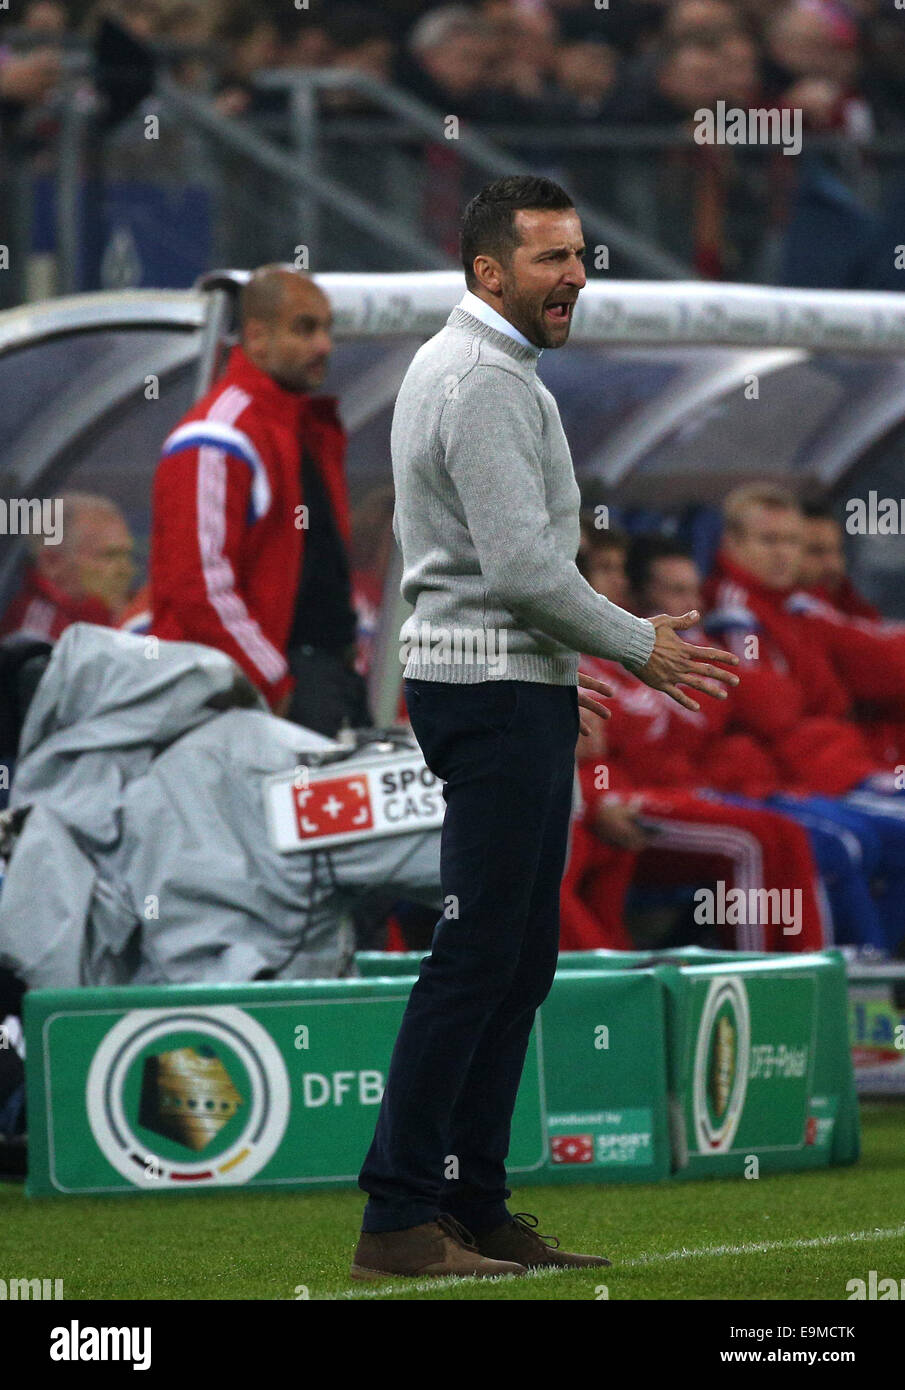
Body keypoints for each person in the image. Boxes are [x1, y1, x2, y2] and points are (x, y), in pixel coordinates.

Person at [352, 175, 739, 1282]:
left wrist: (546, 672)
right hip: (487, 694)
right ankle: (395, 1220)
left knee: (514, 960)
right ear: (488, 272)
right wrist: (634, 644)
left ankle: (473, 1207)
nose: (575, 276)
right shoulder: (478, 377)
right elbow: (521, 567)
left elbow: (493, 573)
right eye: (550, 260)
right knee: (477, 958)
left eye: (580, 256)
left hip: (504, 686)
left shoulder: (491, 369)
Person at [149, 263, 372, 738]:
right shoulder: (216, 436)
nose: (324, 346)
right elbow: (200, 587)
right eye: (305, 329)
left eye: (328, 329)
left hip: (316, 683)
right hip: (250, 700)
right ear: (256, 336)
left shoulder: (303, 427)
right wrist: (273, 681)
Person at [0, 492, 134, 641]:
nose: (126, 570)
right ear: (52, 562)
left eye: (127, 555)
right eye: (109, 555)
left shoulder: (126, 617)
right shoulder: (36, 636)